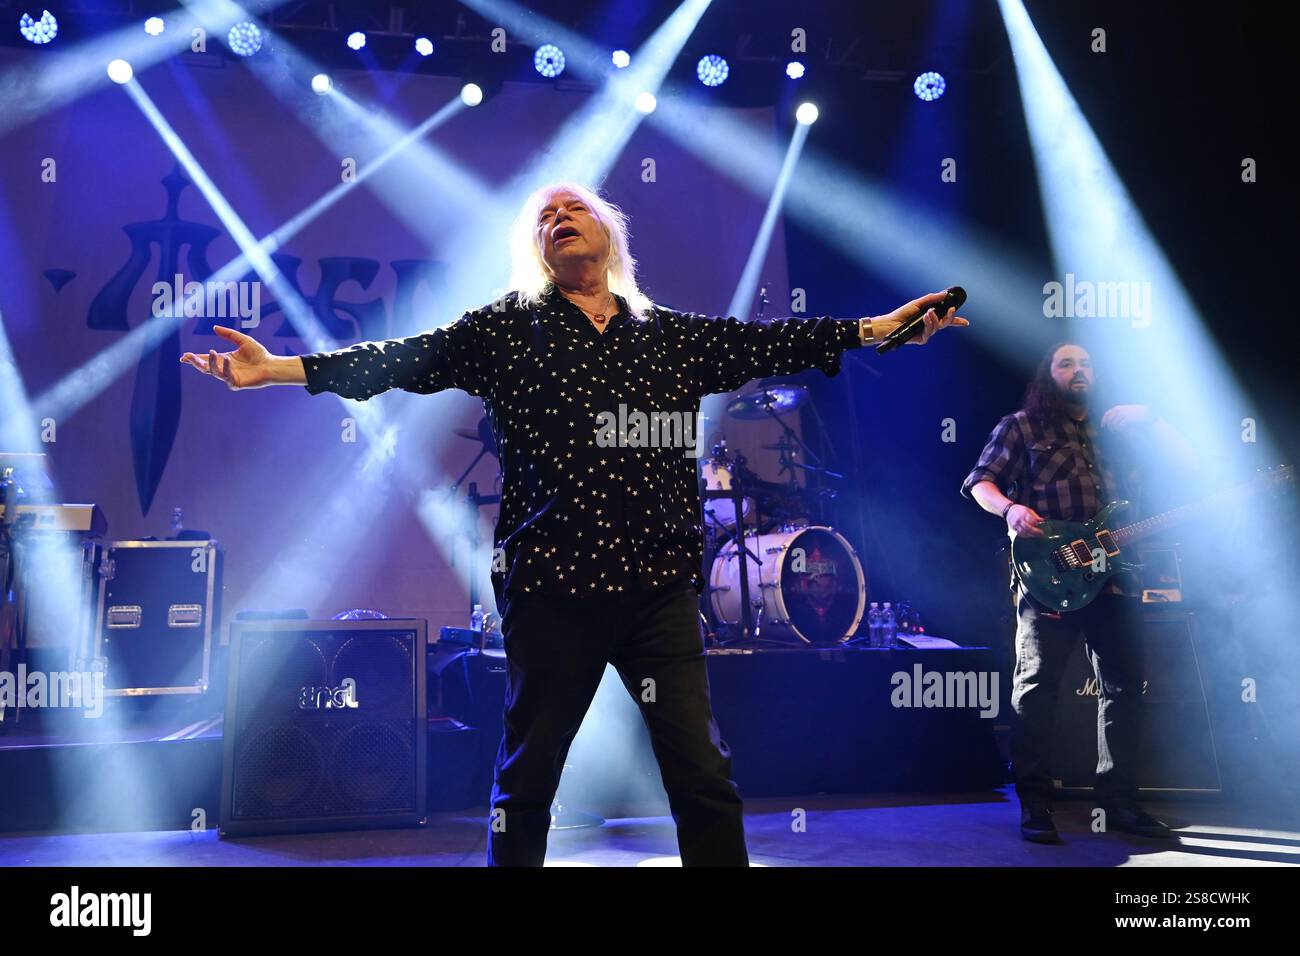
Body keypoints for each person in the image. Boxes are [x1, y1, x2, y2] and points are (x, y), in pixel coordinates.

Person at [183, 181, 966, 865]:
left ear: (607, 233)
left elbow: (774, 339)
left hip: (658, 587)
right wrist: (278, 370)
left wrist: (880, 329)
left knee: (703, 774)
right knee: (528, 780)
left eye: (575, 208)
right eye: (545, 215)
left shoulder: (669, 335)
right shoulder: (504, 330)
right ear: (537, 249)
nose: (560, 216)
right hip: (553, 586)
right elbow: (401, 358)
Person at [963, 341, 1194, 843]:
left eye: (1086, 362)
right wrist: (1010, 510)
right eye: (1066, 363)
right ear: (1048, 375)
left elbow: (1189, 462)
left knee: (1124, 688)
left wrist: (1151, 417)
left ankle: (1119, 803)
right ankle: (1036, 805)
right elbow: (981, 482)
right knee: (1038, 690)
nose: (1079, 370)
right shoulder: (1021, 425)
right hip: (1049, 575)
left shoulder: (1114, 431)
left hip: (1110, 577)